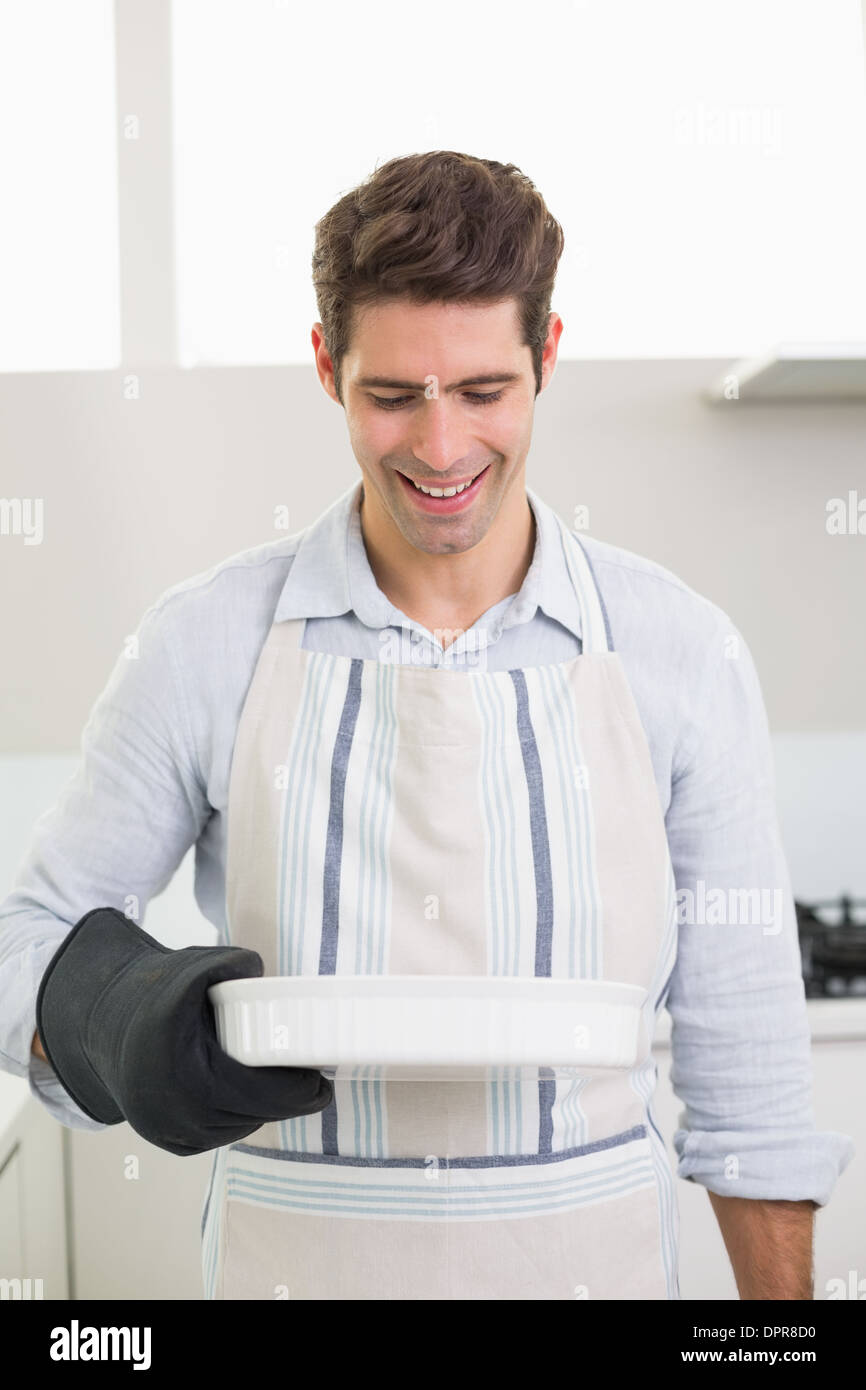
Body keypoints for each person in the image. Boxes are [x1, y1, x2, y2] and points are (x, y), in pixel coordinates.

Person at [0, 150, 854, 1301]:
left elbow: (746, 1076)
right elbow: (26, 936)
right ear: (324, 367)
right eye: (392, 396)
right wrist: (110, 1018)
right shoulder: (203, 643)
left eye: (483, 393)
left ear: (546, 357)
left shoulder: (679, 653)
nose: (441, 450)